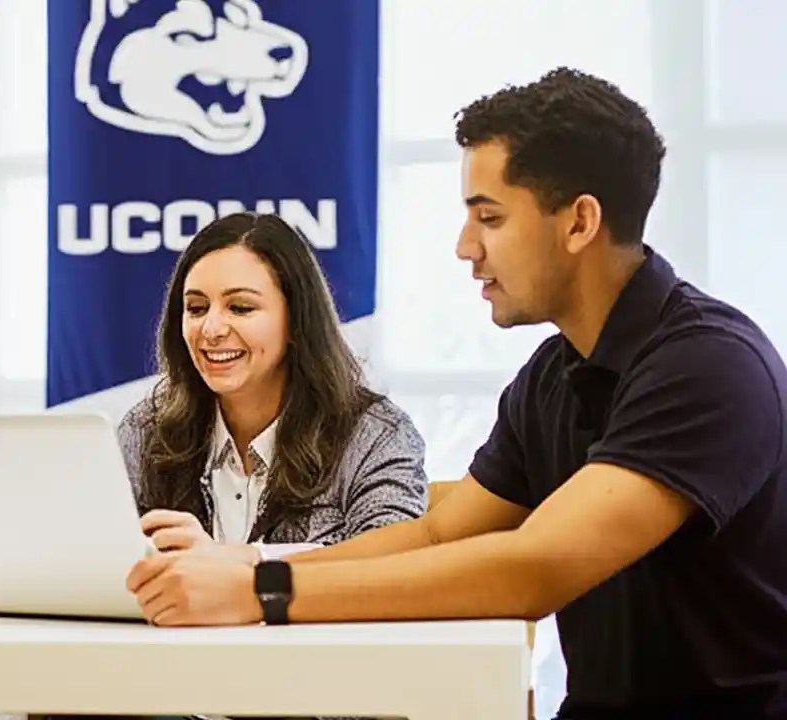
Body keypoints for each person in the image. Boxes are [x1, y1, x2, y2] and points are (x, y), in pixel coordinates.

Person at [126, 68, 787, 718]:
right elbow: (440, 532)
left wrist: (261, 589)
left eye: (489, 217)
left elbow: (535, 568)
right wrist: (238, 564)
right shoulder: (553, 374)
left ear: (579, 222)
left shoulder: (708, 367)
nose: (465, 247)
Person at [120, 212, 429, 564]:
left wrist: (239, 560)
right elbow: (98, 557)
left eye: (240, 307)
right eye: (196, 308)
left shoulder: (375, 434)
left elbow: (393, 565)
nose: (211, 328)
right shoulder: (146, 431)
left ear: (297, 320)